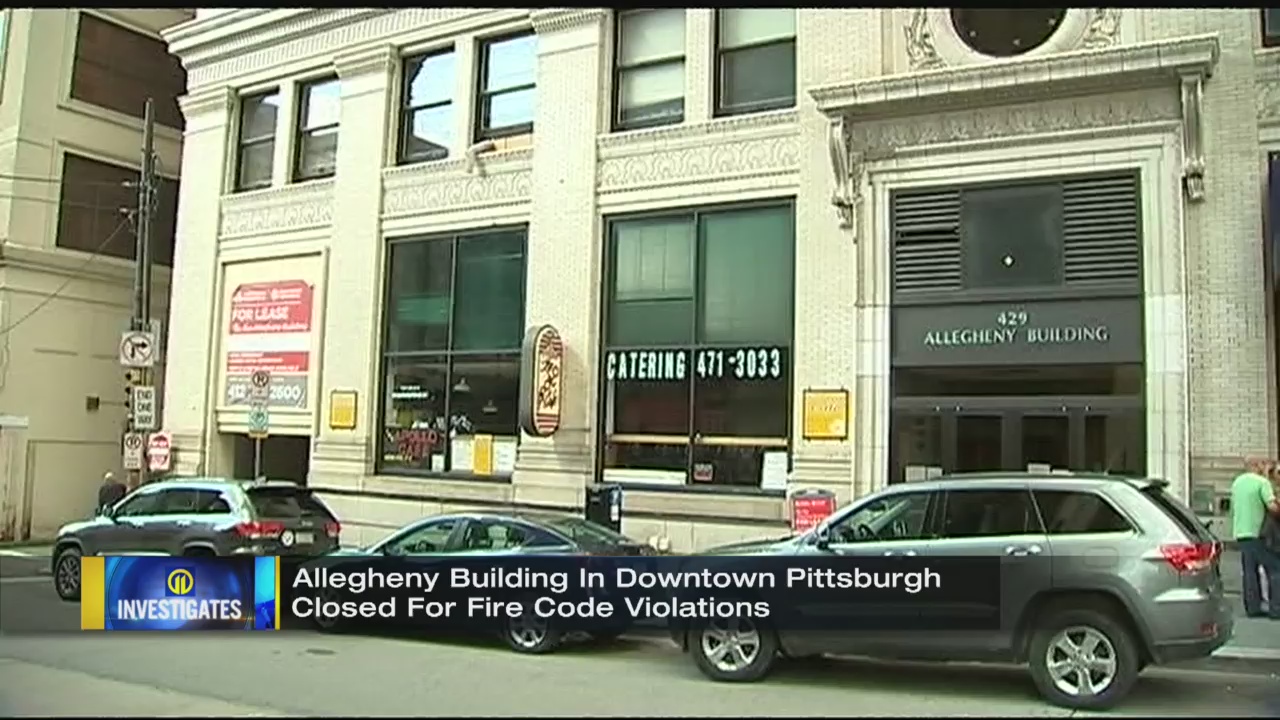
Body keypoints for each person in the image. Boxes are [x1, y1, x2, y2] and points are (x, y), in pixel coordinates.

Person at [1230, 458, 1280, 619]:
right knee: (1274, 569)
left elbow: (1233, 507)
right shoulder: (1262, 483)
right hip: (1258, 532)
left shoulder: (1237, 482)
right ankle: (1276, 608)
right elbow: (1272, 506)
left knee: (1249, 571)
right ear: (1257, 466)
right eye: (1262, 464)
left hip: (1241, 531)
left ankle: (1252, 607)